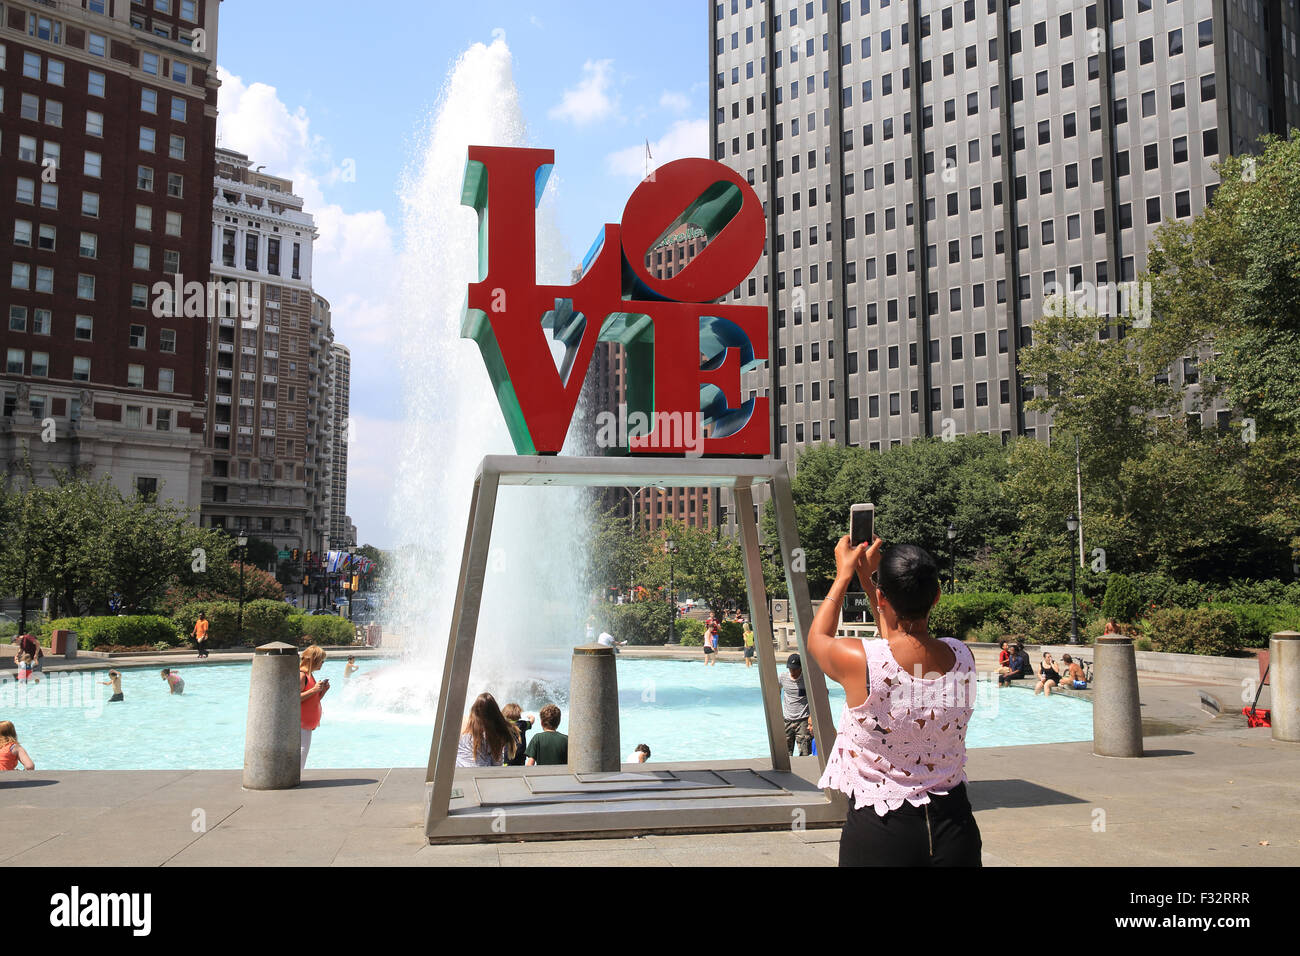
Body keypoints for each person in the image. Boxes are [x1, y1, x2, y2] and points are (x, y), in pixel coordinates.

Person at [808, 534, 982, 867]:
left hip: (881, 829)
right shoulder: (963, 655)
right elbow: (898, 643)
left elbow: (818, 638)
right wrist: (870, 582)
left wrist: (845, 574)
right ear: (937, 597)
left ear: (883, 598)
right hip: (955, 826)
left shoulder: (860, 660)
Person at [456, 692, 519, 768]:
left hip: (458, 771)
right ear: (494, 712)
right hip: (482, 773)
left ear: (474, 708)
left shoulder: (461, 722)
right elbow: (497, 763)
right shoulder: (495, 731)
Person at [299, 646, 329, 770]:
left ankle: (296, 778)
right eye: (322, 660)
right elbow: (294, 698)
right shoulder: (302, 676)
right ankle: (294, 779)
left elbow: (312, 700)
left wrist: (323, 691)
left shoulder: (310, 675)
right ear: (314, 660)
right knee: (301, 752)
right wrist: (314, 689)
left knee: (303, 752)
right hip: (300, 724)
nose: (322, 663)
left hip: (308, 724)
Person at [779, 653, 812, 756]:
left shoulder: (807, 679)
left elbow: (821, 694)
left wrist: (811, 717)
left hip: (803, 720)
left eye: (795, 669)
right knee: (785, 754)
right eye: (790, 669)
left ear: (801, 668)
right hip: (787, 720)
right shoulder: (782, 678)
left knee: (805, 753)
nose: (792, 671)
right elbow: (774, 691)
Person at [501, 702, 535, 767]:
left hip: (508, 756)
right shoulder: (523, 724)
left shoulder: (504, 725)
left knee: (507, 769)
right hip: (521, 756)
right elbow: (531, 721)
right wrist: (531, 717)